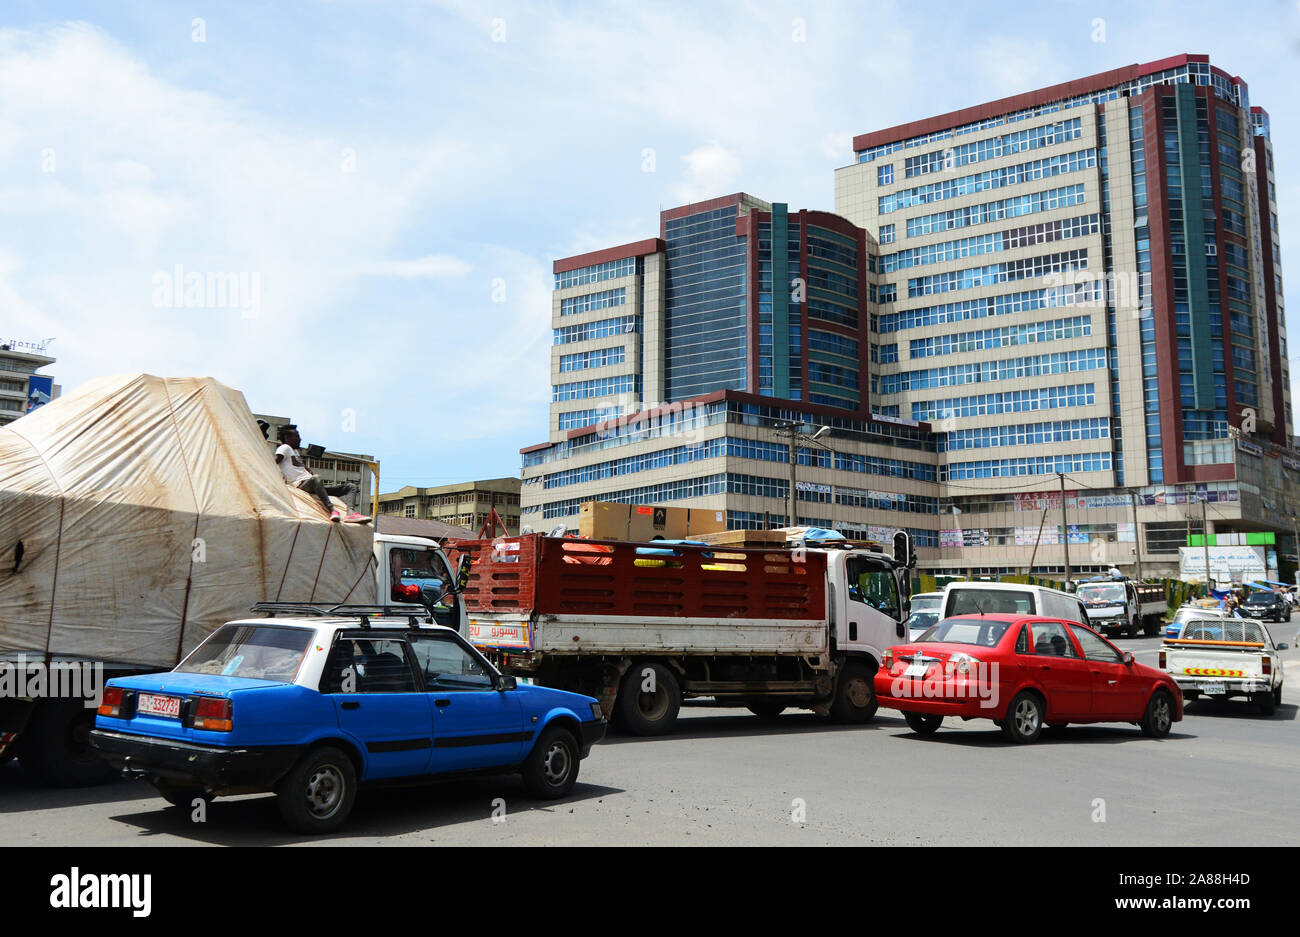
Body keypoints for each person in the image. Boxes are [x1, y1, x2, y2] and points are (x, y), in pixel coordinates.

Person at [274, 425, 368, 524]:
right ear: (287, 438)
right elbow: (273, 462)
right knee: (316, 478)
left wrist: (307, 469)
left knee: (351, 486)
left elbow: (297, 467)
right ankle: (332, 510)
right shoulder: (284, 447)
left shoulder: (295, 452)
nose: (300, 439)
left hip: (314, 485)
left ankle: (350, 512)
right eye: (297, 436)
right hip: (300, 486)